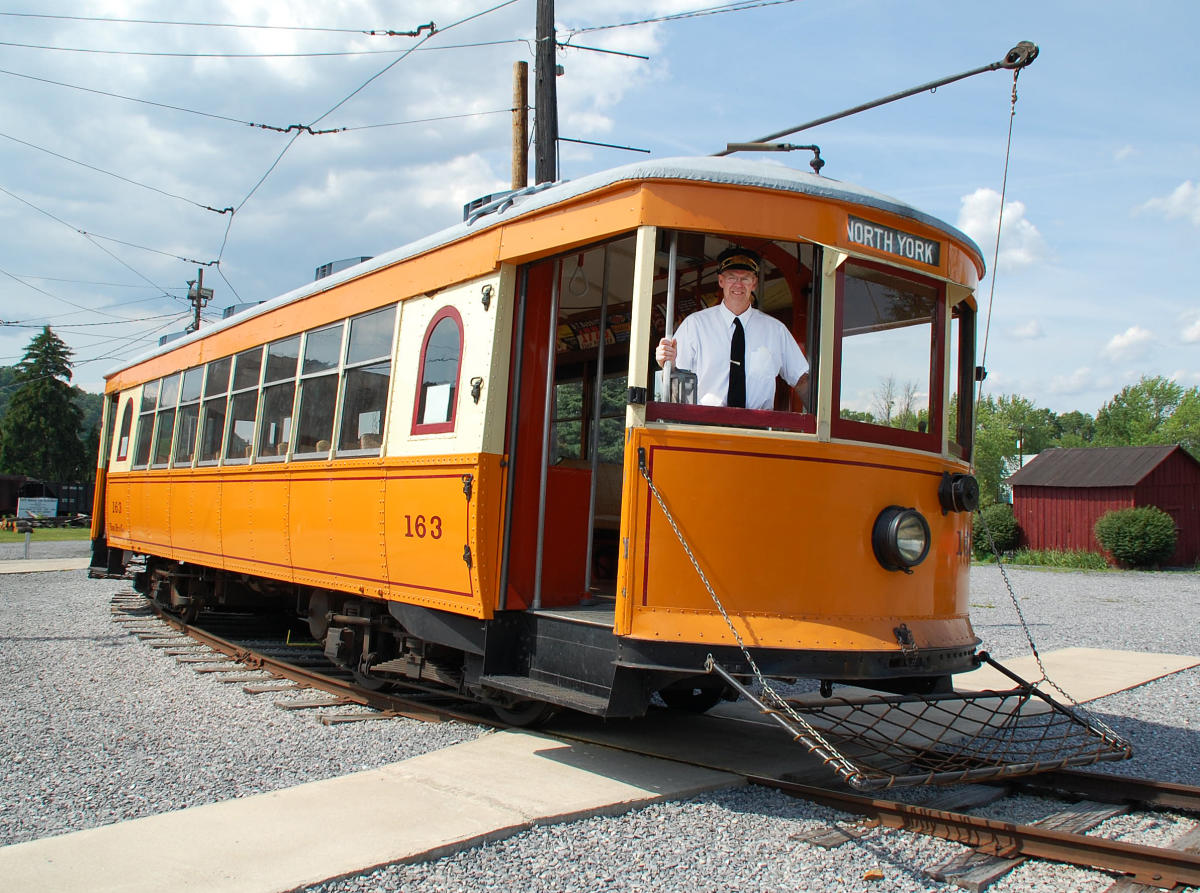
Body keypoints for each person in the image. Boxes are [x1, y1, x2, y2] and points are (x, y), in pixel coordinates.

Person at [655, 247, 809, 410]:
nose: (738, 284)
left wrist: (826, 424)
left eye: (745, 278)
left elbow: (801, 380)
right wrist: (667, 365)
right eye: (731, 278)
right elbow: (675, 382)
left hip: (758, 431)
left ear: (754, 283)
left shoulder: (776, 331)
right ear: (721, 281)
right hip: (705, 427)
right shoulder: (695, 325)